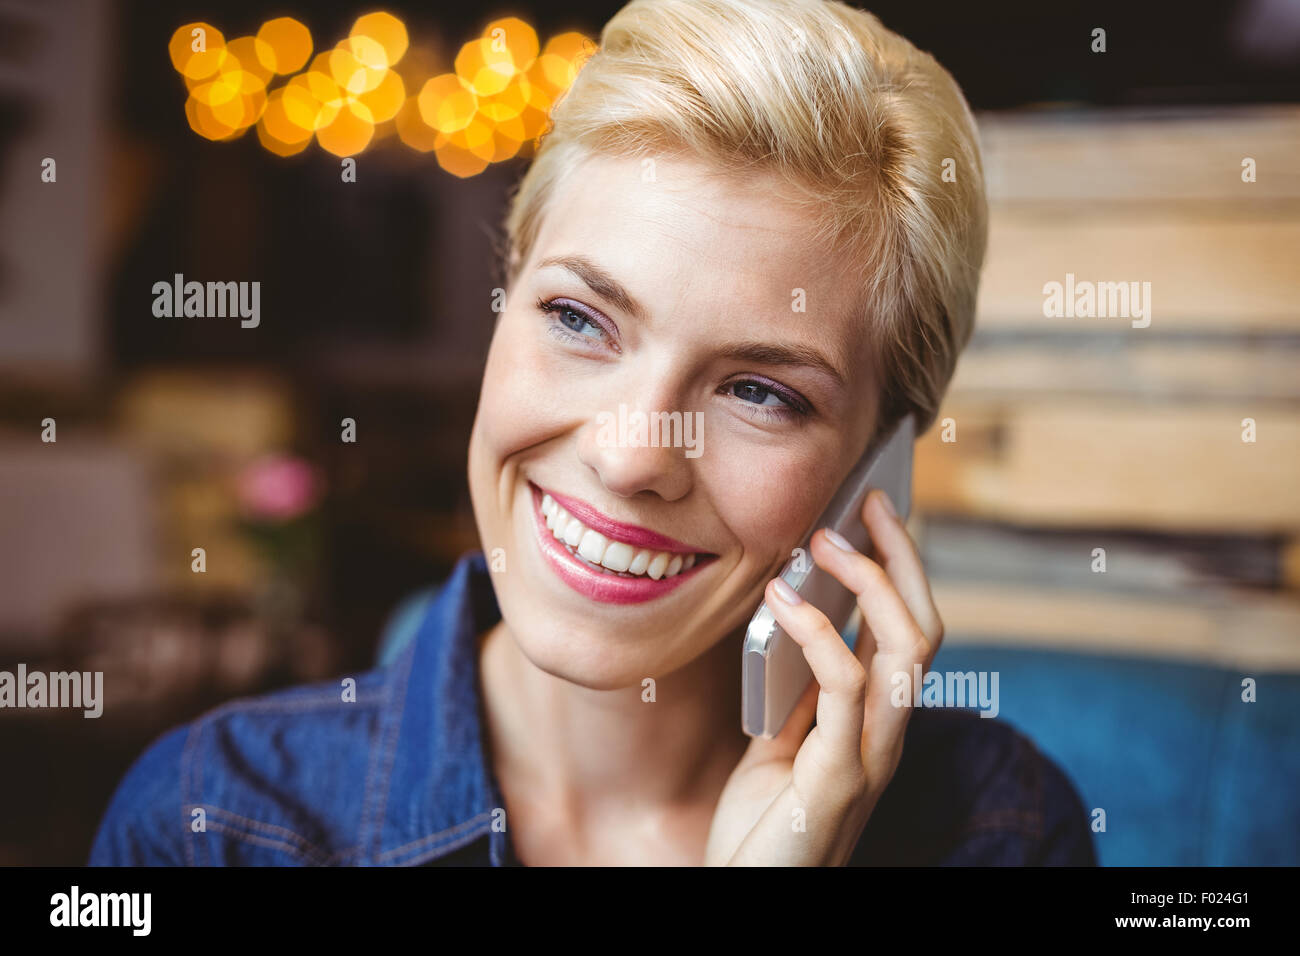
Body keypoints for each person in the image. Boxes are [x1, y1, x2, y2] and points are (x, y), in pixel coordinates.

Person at [91, 0, 1095, 866]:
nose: (628, 455)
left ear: (882, 463)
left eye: (759, 391)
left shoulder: (997, 830)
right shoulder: (208, 825)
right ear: (507, 290)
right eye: (580, 319)